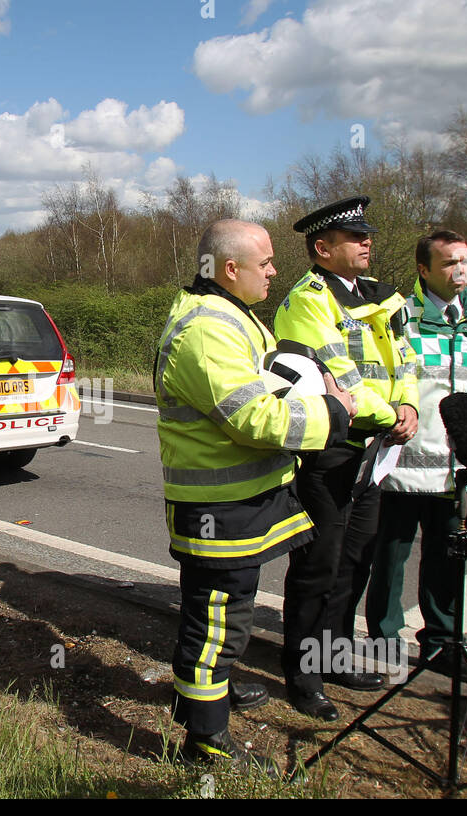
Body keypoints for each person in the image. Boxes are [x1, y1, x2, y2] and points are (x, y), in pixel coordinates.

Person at [156, 218, 354, 773]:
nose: (274, 272)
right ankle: (206, 741)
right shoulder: (206, 328)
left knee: (221, 616)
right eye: (265, 263)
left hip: (239, 504)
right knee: (217, 625)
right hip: (219, 511)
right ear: (230, 269)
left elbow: (267, 386)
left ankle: (203, 697)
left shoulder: (230, 314)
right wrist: (333, 414)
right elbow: (253, 416)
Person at [271, 196, 419, 721]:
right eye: (355, 237)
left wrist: (409, 403)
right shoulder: (309, 300)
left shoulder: (382, 297)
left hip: (375, 449)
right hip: (331, 450)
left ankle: (332, 655)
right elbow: (342, 378)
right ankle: (303, 671)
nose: (367, 242)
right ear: (322, 249)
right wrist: (390, 414)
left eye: (367, 235)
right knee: (319, 563)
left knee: (356, 559)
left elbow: (405, 359)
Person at [360, 230, 467, 674]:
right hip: (406, 463)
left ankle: (442, 643)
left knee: (448, 559)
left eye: (465, 261)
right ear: (424, 269)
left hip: (461, 466)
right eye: (448, 263)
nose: (460, 271)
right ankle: (384, 641)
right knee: (391, 559)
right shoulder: (400, 315)